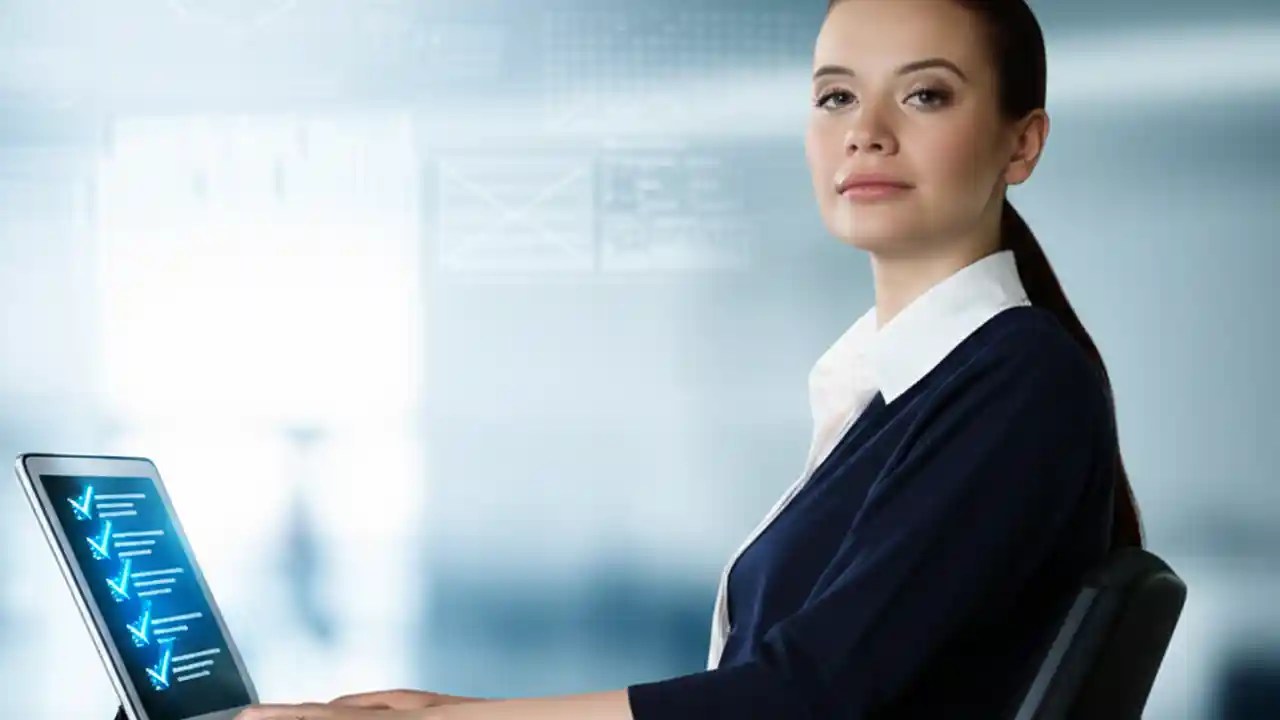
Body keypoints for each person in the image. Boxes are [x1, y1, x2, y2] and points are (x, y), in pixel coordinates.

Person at [235, 0, 1143, 717]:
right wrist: (456, 710)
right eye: (835, 96)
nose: (865, 130)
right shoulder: (897, 391)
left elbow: (810, 693)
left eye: (924, 94)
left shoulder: (1019, 377)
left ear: (1021, 144)